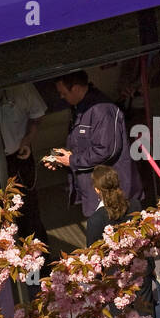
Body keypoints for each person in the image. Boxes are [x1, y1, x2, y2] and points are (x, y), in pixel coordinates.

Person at [85, 165, 159, 318]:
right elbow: (146, 240)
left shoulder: (95, 221)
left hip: (116, 282)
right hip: (140, 272)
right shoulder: (134, 205)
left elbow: (94, 259)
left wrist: (97, 286)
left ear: (97, 190)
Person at [44, 69, 143, 218]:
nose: (61, 97)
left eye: (63, 93)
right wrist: (62, 158)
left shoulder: (101, 110)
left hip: (114, 197)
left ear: (76, 88)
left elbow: (106, 150)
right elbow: (82, 146)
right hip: (96, 196)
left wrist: (71, 160)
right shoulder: (80, 108)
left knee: (121, 238)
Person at [0, 82, 49, 247]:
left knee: (28, 211)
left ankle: (40, 262)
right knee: (0, 212)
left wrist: (27, 141)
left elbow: (38, 115)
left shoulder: (20, 86)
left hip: (19, 154)